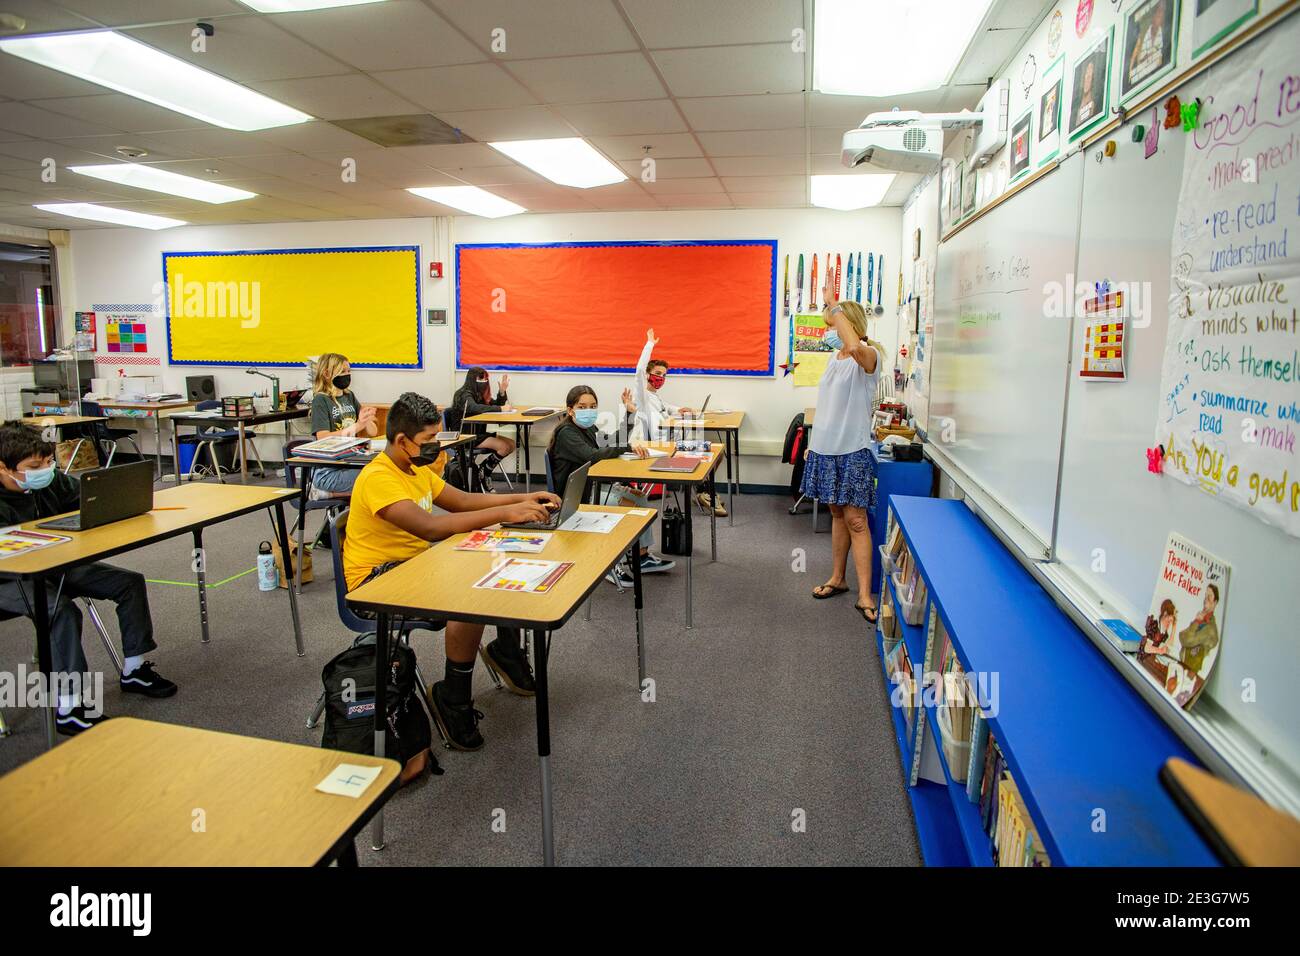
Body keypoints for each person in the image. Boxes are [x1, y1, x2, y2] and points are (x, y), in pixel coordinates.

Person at [343, 392, 559, 751]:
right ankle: (452, 700)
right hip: (375, 584)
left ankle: (506, 652)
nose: (436, 449)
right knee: (469, 595)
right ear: (401, 441)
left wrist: (521, 498)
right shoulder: (378, 477)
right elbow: (430, 528)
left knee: (496, 562)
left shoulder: (414, 468)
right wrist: (505, 514)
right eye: (428, 441)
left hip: (414, 568)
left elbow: (462, 501)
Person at [0, 423, 176, 735]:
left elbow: (87, 500)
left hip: (54, 563)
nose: (45, 471)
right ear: (4, 467)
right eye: (34, 467)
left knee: (128, 583)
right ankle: (70, 707)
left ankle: (134, 670)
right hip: (8, 580)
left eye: (49, 462)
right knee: (61, 610)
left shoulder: (49, 481)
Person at [802, 277, 886, 624]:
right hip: (825, 449)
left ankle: (865, 594)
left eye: (833, 324)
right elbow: (826, 406)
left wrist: (835, 306)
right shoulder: (834, 360)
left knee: (856, 520)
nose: (829, 331)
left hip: (852, 451)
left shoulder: (869, 357)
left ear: (847, 325)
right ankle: (838, 578)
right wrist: (812, 445)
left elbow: (854, 349)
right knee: (837, 515)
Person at [548, 385, 675, 587]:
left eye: (593, 406)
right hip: (577, 496)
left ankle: (640, 558)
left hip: (593, 485)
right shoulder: (566, 433)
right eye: (582, 406)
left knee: (639, 496)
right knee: (627, 504)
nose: (588, 410)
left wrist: (629, 414)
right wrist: (626, 446)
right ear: (570, 409)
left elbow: (609, 441)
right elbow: (593, 455)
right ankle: (608, 563)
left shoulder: (587, 427)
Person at [630, 328, 723, 518]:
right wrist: (649, 344)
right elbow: (639, 370)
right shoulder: (642, 396)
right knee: (714, 451)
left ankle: (700, 490)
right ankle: (702, 492)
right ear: (647, 374)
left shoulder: (654, 397)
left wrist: (679, 409)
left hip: (670, 444)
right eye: (657, 373)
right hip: (661, 448)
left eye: (664, 375)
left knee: (717, 451)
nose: (661, 378)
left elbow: (666, 407)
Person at [308, 352, 377, 500]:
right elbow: (322, 436)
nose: (347, 375)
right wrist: (357, 426)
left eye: (349, 371)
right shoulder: (321, 400)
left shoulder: (349, 396)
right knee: (374, 479)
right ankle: (323, 492)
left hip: (350, 461)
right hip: (328, 471)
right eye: (343, 371)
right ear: (327, 374)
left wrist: (368, 419)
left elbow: (372, 431)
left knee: (380, 473)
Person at [448, 366, 516, 490]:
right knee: (504, 447)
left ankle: (484, 470)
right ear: (472, 380)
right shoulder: (463, 395)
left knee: (511, 444)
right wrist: (501, 409)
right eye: (481, 380)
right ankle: (485, 474)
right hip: (466, 437)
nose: (484, 383)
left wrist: (502, 392)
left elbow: (495, 404)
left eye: (485, 380)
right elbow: (475, 408)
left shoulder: (480, 395)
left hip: (478, 434)